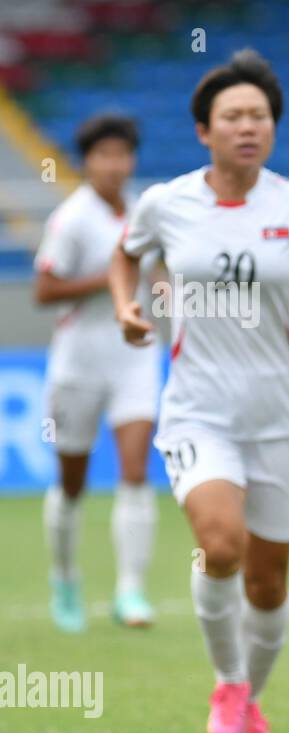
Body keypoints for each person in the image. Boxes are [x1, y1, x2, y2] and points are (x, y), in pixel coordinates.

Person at [108, 49, 289, 733]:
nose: (248, 127)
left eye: (259, 116)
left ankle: (251, 698)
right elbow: (124, 254)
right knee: (220, 547)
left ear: (273, 128)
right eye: (233, 116)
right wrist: (125, 307)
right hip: (196, 409)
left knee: (267, 580)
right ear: (204, 130)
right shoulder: (167, 203)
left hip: (279, 416)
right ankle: (227, 682)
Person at [35, 113, 159, 632]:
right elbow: (44, 291)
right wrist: (111, 281)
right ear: (86, 162)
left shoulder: (147, 212)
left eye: (123, 154)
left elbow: (166, 269)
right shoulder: (72, 219)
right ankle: (64, 578)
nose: (115, 164)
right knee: (72, 484)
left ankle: (130, 591)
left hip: (134, 354)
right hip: (78, 363)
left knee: (134, 471)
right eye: (104, 154)